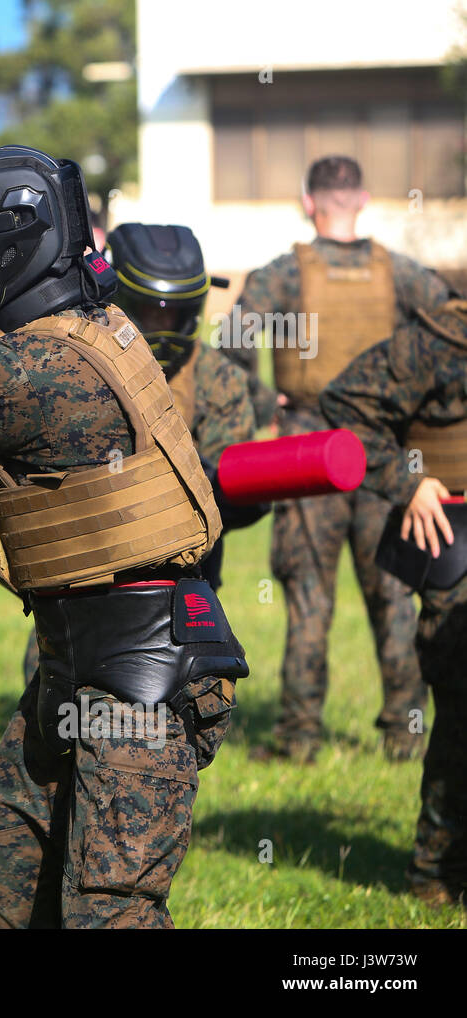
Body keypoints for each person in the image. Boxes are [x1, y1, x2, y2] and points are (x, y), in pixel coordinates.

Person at [0, 146, 246, 928]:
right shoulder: (87, 332)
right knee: (4, 889)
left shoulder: (34, 364)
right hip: (69, 666)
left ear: (1, 250)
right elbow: (29, 507)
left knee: (108, 914)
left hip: (139, 679)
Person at [222, 155, 448, 763]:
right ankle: (406, 737)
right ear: (363, 199)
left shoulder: (283, 275)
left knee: (309, 602)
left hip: (310, 452)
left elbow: (231, 347)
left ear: (309, 203)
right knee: (396, 597)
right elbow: (449, 330)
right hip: (388, 456)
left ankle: (298, 741)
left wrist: (270, 401)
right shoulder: (403, 275)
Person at [22, 223, 256, 685]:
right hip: (86, 574)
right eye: (151, 313)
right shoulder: (78, 362)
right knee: (57, 701)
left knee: (183, 711)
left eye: (174, 315)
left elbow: (238, 487)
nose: (163, 327)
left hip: (184, 585)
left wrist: (218, 486)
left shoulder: (216, 378)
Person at [321, 298, 467, 907]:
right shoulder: (441, 342)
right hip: (457, 543)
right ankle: (436, 872)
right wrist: (408, 482)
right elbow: (344, 401)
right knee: (463, 709)